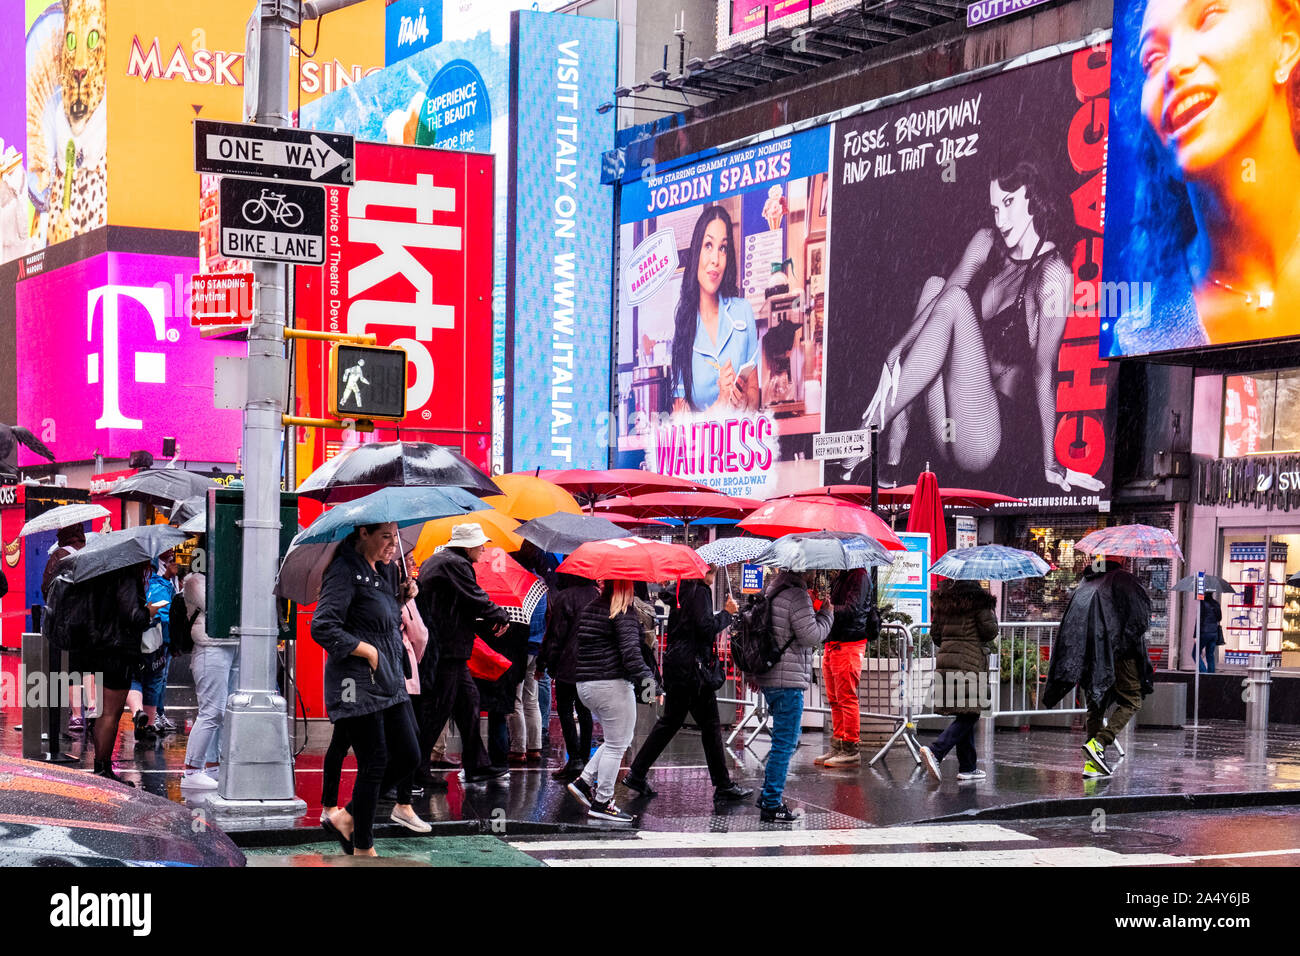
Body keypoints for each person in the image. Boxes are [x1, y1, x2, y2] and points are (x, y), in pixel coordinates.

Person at [841, 161, 1104, 494]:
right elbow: (940, 300)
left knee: (954, 301)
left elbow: (1044, 372)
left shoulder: (1053, 274)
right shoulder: (987, 242)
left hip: (984, 438)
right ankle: (896, 437)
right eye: (995, 207)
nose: (1000, 219)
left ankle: (866, 436)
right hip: (948, 427)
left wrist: (1050, 461)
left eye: (1009, 204)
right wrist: (896, 350)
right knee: (936, 287)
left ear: (1033, 198)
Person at [1112, 0, 1300, 352]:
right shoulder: (1138, 338)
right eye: (1152, 59)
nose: (1175, 66)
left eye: (1208, 16)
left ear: (1286, 40)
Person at [310, 522, 423, 856]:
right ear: (363, 533)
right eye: (385, 537)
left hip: (388, 678)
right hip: (356, 681)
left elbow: (381, 613)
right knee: (375, 760)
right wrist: (368, 651)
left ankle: (346, 816)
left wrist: (403, 594)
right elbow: (323, 626)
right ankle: (363, 848)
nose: (392, 544)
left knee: (408, 755)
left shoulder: (388, 571)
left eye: (395, 537)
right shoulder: (343, 570)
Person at [622, 568, 754, 806]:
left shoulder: (682, 591)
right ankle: (723, 785)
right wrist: (726, 613)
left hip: (678, 666)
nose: (713, 575)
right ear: (704, 571)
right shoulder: (699, 591)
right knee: (710, 726)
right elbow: (704, 627)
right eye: (712, 570)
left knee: (670, 723)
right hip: (693, 670)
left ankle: (637, 773)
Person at [415, 523, 511, 783]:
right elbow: (474, 596)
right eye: (480, 544)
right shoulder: (455, 564)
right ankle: (417, 769)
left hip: (447, 647)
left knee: (468, 705)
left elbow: (461, 600)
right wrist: (500, 615)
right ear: (467, 545)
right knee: (437, 711)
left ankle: (477, 765)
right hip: (447, 649)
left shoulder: (441, 561)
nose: (483, 548)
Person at [1043, 556, 1154, 778]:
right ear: (1120, 557)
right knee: (1132, 699)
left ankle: (1092, 764)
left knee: (1096, 703)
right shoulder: (1123, 580)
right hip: (1119, 654)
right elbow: (1140, 620)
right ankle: (1100, 743)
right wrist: (1121, 644)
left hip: (1090, 654)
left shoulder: (1087, 582)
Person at [566, 579, 660, 823]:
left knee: (616, 740)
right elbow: (632, 656)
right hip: (612, 684)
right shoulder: (623, 612)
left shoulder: (591, 607)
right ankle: (603, 801)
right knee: (618, 745)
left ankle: (585, 782)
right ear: (627, 585)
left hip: (586, 684)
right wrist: (652, 685)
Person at [754, 568, 834, 823]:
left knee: (781, 740)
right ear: (805, 569)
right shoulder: (797, 595)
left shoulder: (773, 589)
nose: (815, 574)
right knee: (785, 743)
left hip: (771, 675)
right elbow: (811, 636)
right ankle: (771, 803)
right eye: (813, 570)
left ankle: (767, 793)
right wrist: (827, 615)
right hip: (787, 679)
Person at [666, 205, 762, 414]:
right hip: (702, 446)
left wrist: (743, 400)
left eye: (723, 248)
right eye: (708, 245)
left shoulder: (742, 311)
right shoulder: (684, 325)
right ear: (696, 252)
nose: (716, 260)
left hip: (741, 443)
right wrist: (720, 404)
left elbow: (755, 392)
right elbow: (680, 420)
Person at [81, 563, 157, 782]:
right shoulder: (126, 579)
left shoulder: (104, 577)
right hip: (118, 651)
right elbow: (133, 615)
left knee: (105, 712)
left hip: (102, 648)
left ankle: (101, 765)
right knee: (111, 714)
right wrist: (148, 611)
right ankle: (102, 768)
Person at [919, 579, 999, 782]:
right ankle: (937, 750)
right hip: (970, 662)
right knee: (971, 714)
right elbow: (990, 632)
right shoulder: (979, 601)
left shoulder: (942, 600)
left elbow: (936, 635)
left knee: (967, 712)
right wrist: (991, 610)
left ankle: (968, 767)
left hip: (947, 661)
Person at [180, 536, 241, 790]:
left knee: (225, 712)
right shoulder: (194, 581)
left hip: (234, 645)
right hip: (210, 647)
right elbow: (221, 606)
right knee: (211, 711)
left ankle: (214, 765)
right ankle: (192, 769)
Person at [817, 567, 877, 769]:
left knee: (846, 697)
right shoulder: (845, 576)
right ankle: (839, 744)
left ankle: (850, 749)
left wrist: (829, 608)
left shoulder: (859, 576)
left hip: (849, 643)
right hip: (835, 642)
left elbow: (853, 610)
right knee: (835, 698)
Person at [540, 572, 598, 782]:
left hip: (569, 663)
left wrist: (545, 662)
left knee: (565, 709)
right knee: (585, 711)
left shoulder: (565, 597)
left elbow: (556, 634)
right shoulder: (598, 595)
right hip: (591, 664)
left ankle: (574, 759)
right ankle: (583, 757)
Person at [43, 525, 95, 733]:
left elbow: (46, 586)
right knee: (90, 665)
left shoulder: (60, 555)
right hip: (91, 618)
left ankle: (76, 715)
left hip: (68, 619)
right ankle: (93, 707)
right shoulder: (91, 552)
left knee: (72, 666)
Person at [130, 550, 179, 739]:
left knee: (135, 678)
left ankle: (138, 714)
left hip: (132, 640)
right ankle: (151, 722)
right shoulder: (158, 583)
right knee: (155, 678)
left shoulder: (126, 583)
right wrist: (171, 642)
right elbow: (164, 616)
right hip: (156, 641)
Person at [1199, 593, 1225, 674]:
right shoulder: (1216, 604)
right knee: (1210, 655)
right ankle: (1211, 675)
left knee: (1195, 654)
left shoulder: (1202, 604)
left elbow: (1200, 619)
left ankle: (1203, 672)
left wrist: (1195, 635)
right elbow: (1219, 618)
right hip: (1214, 633)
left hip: (1205, 632)